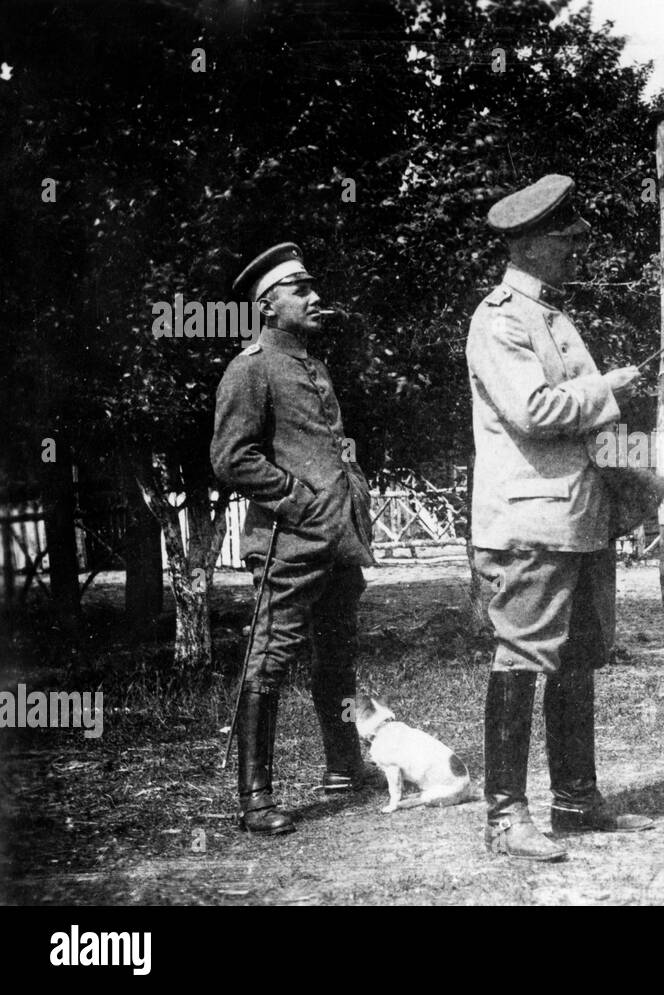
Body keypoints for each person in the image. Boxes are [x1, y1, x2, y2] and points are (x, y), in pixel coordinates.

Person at [467, 174, 654, 862]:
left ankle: (575, 800)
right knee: (520, 657)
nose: (578, 244)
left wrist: (639, 486)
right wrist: (611, 385)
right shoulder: (502, 318)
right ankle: (506, 816)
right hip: (528, 525)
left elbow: (588, 428)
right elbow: (537, 411)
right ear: (530, 243)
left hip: (577, 520)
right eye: (565, 234)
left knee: (576, 659)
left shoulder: (553, 315)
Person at [211, 242, 376, 836]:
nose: (314, 297)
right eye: (300, 289)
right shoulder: (251, 367)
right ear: (267, 305)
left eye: (312, 287)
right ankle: (256, 800)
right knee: (271, 659)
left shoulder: (310, 362)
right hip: (289, 541)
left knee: (337, 654)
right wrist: (300, 500)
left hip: (336, 539)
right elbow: (232, 459)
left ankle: (342, 767)